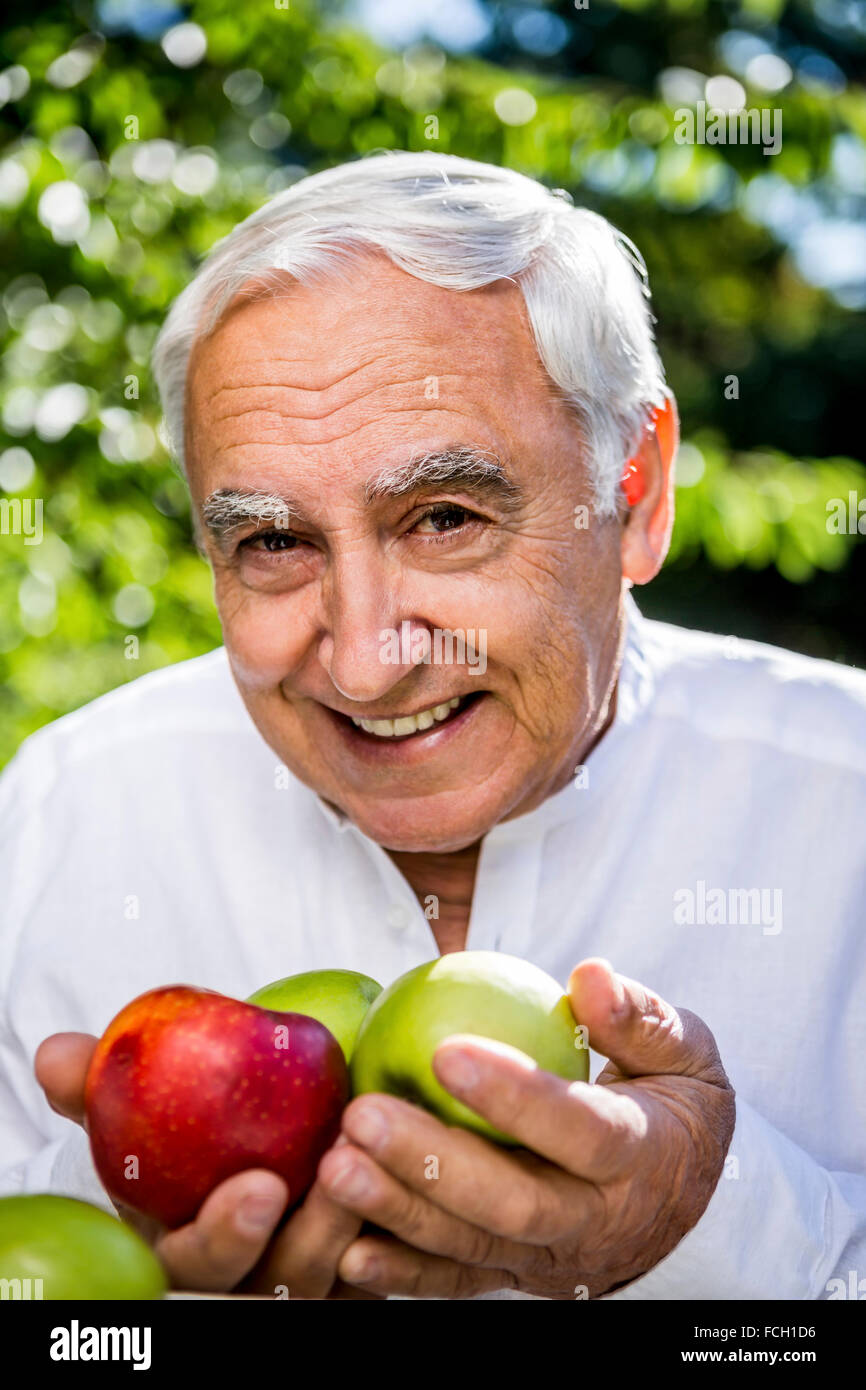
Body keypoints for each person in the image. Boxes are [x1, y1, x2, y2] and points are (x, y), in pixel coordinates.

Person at [1, 152, 864, 1300]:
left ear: (637, 488)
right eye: (272, 543)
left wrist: (705, 1227)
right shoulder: (70, 809)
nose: (363, 659)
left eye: (445, 517)